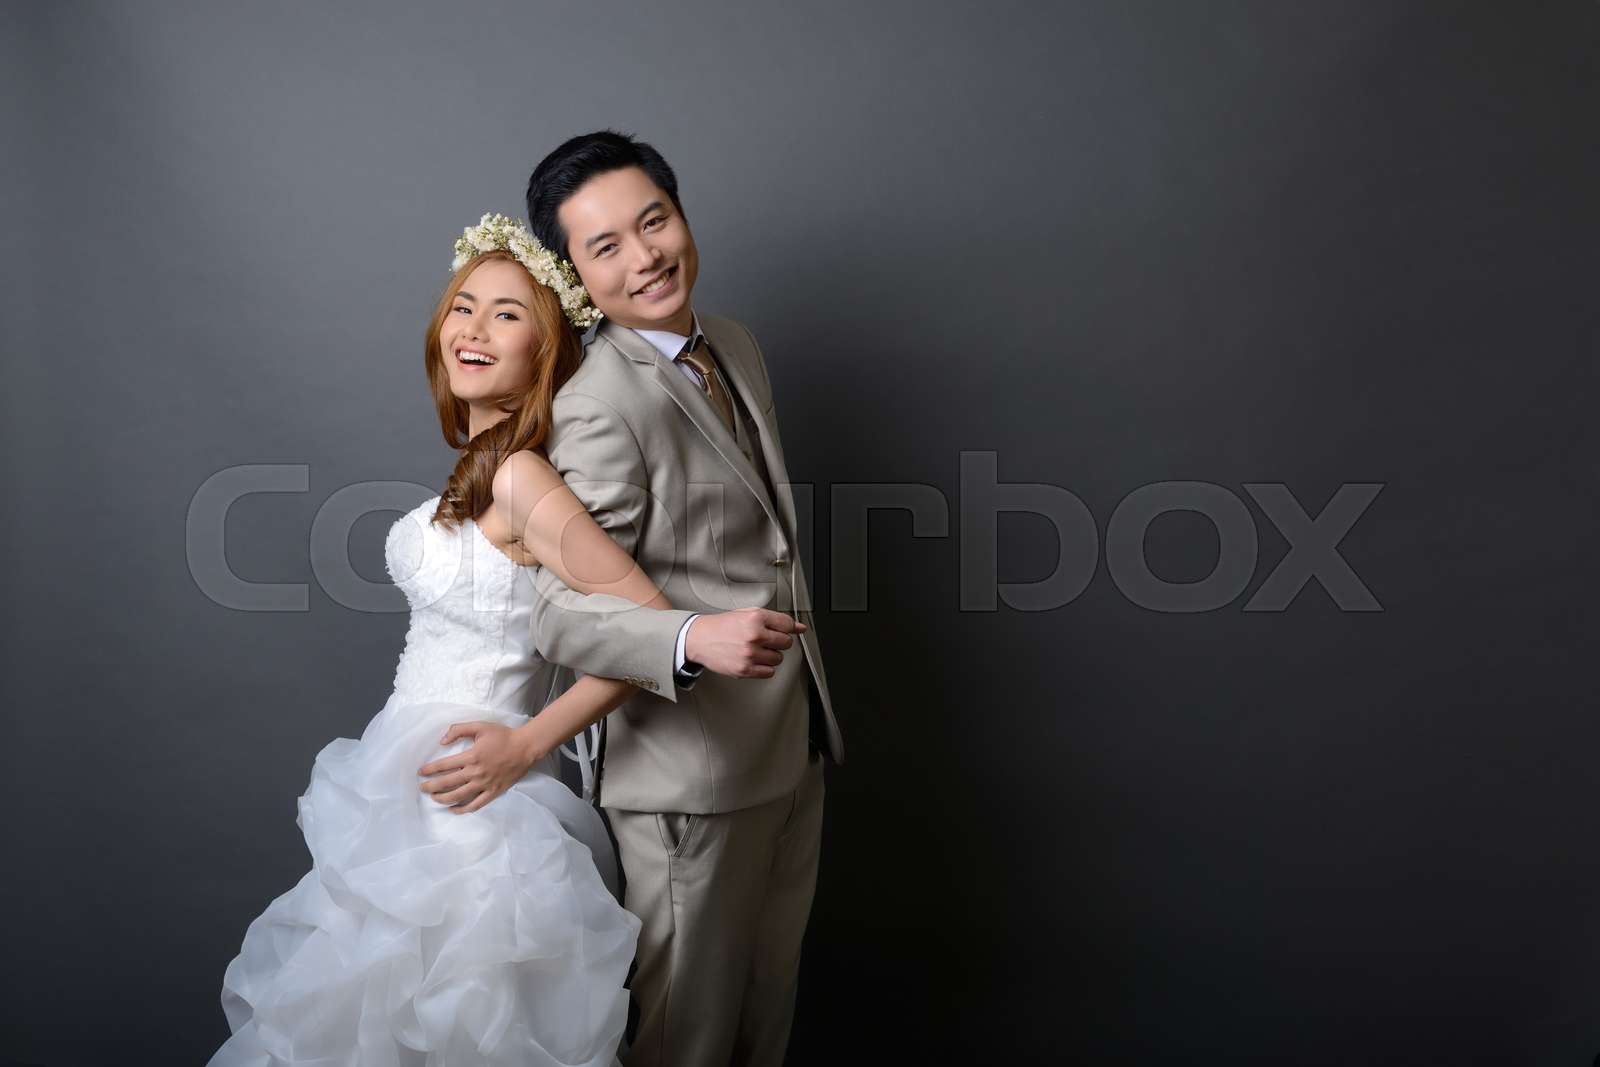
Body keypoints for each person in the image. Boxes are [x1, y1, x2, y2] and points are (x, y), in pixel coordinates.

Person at [209, 214, 743, 1066]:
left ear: (546, 348)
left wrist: (524, 743)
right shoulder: (486, 467)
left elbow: (648, 629)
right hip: (402, 784)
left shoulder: (526, 475)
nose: (474, 328)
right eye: (464, 306)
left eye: (507, 312)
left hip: (478, 805)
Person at [519, 130, 847, 1067]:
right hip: (685, 790)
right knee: (682, 1043)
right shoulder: (596, 403)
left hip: (789, 747)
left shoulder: (733, 343)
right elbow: (559, 614)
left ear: (681, 214)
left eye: (652, 220)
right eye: (605, 246)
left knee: (763, 1022)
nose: (645, 255)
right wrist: (693, 634)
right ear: (575, 273)